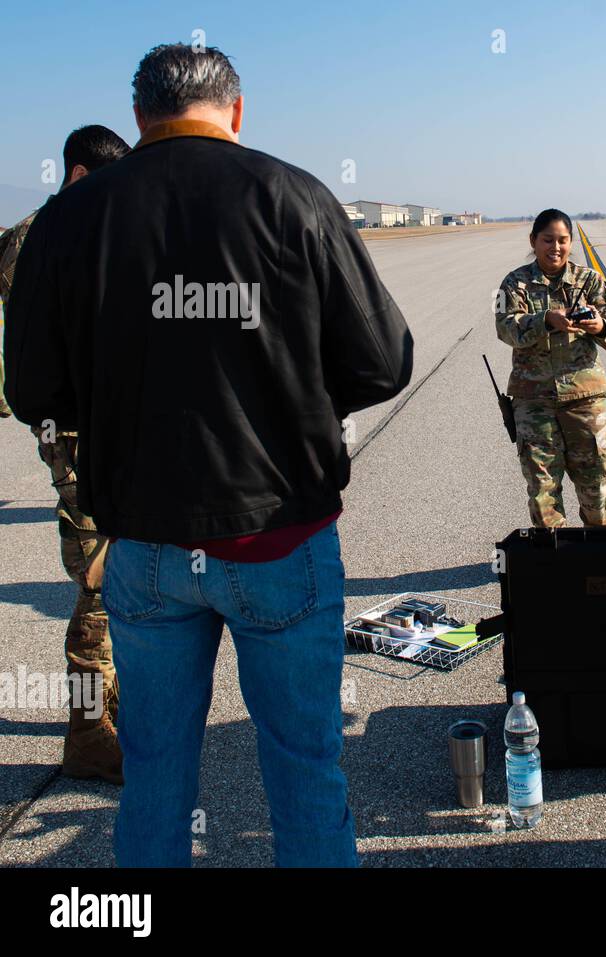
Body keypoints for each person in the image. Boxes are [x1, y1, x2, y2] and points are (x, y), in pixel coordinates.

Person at [4, 43, 413, 867]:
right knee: (304, 770)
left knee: (155, 777)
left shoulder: (72, 218)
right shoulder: (294, 195)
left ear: (139, 117)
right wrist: (291, 392)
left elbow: (32, 388)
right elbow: (383, 359)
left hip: (144, 544)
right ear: (236, 110)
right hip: (279, 537)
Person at [0, 125, 130, 784]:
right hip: (74, 430)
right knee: (99, 583)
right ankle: (86, 732)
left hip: (94, 424)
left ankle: (106, 705)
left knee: (117, 572)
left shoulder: (42, 232)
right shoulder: (53, 234)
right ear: (82, 175)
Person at [494, 209, 606, 528]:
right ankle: (557, 563)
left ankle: (597, 558)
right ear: (534, 241)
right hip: (533, 400)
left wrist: (599, 327)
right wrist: (545, 321)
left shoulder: (590, 281)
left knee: (596, 485)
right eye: (547, 240)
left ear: (571, 242)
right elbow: (504, 328)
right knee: (543, 492)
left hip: (584, 399)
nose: (555, 247)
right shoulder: (515, 283)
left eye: (563, 240)